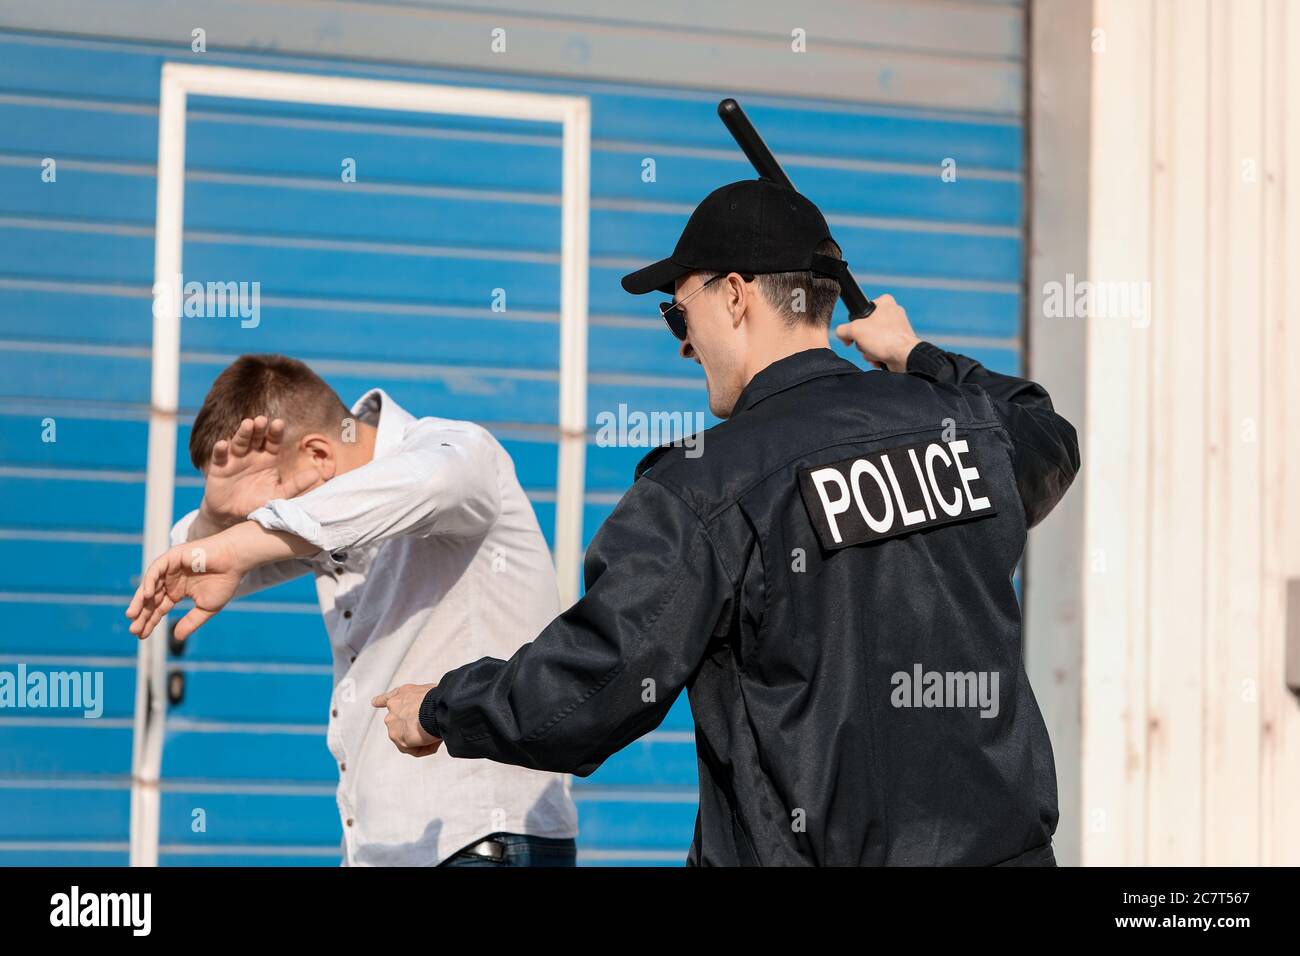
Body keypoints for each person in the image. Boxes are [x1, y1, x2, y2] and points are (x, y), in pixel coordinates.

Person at [374, 179, 1081, 866]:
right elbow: (1050, 434)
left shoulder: (703, 487)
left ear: (736, 295)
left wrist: (441, 708)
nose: (682, 344)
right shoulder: (965, 431)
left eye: (678, 314)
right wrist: (915, 356)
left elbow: (591, 689)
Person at [125, 355, 577, 867]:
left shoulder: (461, 454)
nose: (275, 529)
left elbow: (432, 483)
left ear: (318, 453)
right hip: (385, 851)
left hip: (479, 844)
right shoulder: (315, 500)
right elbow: (186, 566)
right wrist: (215, 518)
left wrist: (265, 529)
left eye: (278, 513)